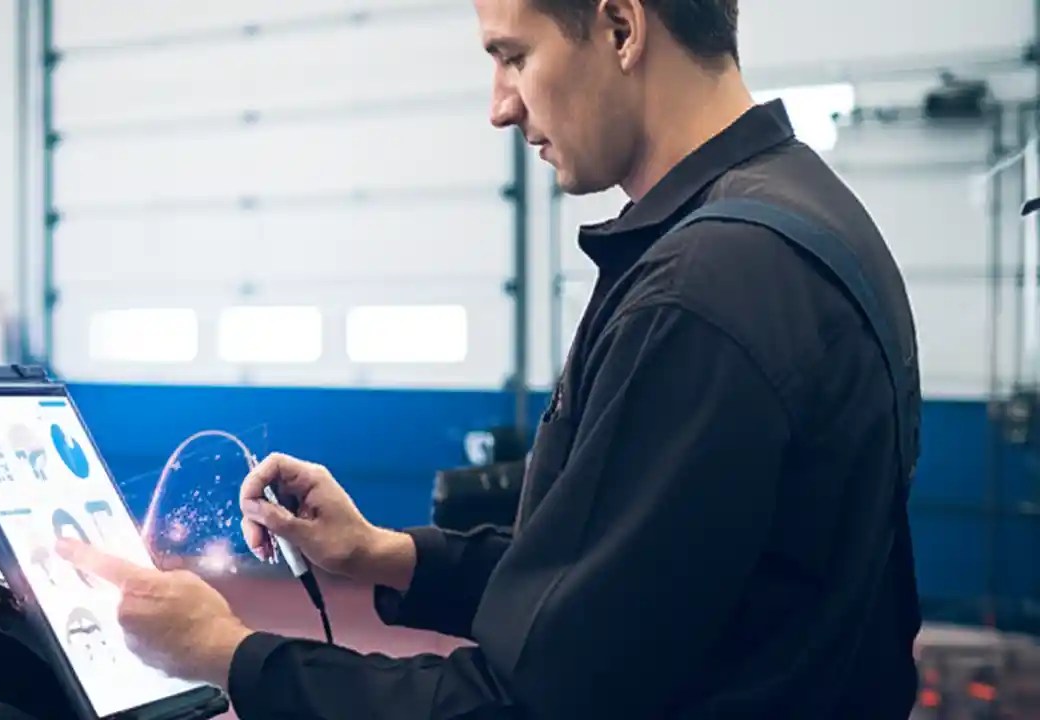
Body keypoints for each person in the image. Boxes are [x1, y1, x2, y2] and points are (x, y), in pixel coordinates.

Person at [57, 0, 925, 717]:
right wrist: (385, 555)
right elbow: (624, 589)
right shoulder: (810, 222)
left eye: (512, 56)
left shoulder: (702, 293)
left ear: (622, 28)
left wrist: (228, 653)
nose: (500, 105)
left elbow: (532, 704)